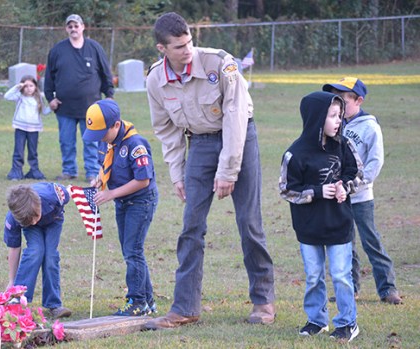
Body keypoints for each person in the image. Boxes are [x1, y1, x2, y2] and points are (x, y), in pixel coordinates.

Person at [145, 12, 275, 330]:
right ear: (162, 49)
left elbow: (234, 116)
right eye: (178, 46)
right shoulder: (155, 81)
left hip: (241, 137)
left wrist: (229, 170)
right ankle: (185, 307)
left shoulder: (220, 63)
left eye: (189, 41)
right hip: (200, 146)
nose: (187, 49)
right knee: (191, 227)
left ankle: (263, 300)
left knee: (249, 222)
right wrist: (177, 174)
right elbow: (166, 131)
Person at [279, 91, 363, 342]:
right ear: (316, 118)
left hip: (339, 223)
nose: (339, 121)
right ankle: (317, 319)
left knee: (340, 274)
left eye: (340, 115)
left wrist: (343, 186)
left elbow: (358, 175)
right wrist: (317, 192)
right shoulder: (295, 153)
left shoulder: (344, 146)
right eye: (333, 116)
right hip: (309, 227)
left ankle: (348, 322)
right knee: (314, 275)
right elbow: (286, 190)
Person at [323, 77, 402, 305]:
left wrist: (354, 185)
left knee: (370, 241)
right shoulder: (333, 124)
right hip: (338, 196)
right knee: (345, 244)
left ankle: (387, 289)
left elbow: (375, 162)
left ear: (358, 100)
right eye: (335, 98)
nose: (338, 103)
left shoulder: (369, 127)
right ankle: (350, 288)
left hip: (360, 197)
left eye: (343, 99)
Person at [82, 99, 158, 316]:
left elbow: (143, 180)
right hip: (123, 202)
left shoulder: (136, 145)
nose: (100, 140)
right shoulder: (105, 140)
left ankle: (136, 301)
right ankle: (148, 301)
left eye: (102, 134)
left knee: (133, 251)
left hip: (141, 201)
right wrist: (99, 179)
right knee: (130, 251)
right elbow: (105, 164)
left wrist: (111, 194)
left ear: (116, 125)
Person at [44, 14, 115, 182]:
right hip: (64, 107)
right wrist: (50, 98)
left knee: (92, 142)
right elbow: (49, 77)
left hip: (91, 107)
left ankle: (92, 171)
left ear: (83, 27)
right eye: (70, 26)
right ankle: (69, 170)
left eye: (76, 26)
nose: (73, 29)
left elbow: (105, 73)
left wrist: (109, 94)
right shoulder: (57, 50)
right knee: (66, 142)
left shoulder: (94, 48)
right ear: (66, 29)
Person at [3, 182, 72, 319]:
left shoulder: (55, 195)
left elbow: (69, 191)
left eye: (35, 217)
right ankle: (19, 298)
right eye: (30, 220)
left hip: (54, 219)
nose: (34, 222)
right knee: (35, 251)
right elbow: (14, 249)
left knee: (50, 256)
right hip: (29, 223)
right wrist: (12, 280)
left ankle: (54, 304)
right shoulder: (15, 219)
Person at [3, 75, 51, 181]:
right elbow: (6, 96)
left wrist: (52, 107)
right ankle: (16, 172)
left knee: (33, 151)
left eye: (31, 86)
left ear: (35, 87)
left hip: (34, 130)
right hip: (20, 128)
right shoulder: (19, 97)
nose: (29, 88)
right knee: (18, 150)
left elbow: (44, 111)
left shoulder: (38, 99)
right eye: (26, 86)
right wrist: (18, 87)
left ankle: (34, 171)